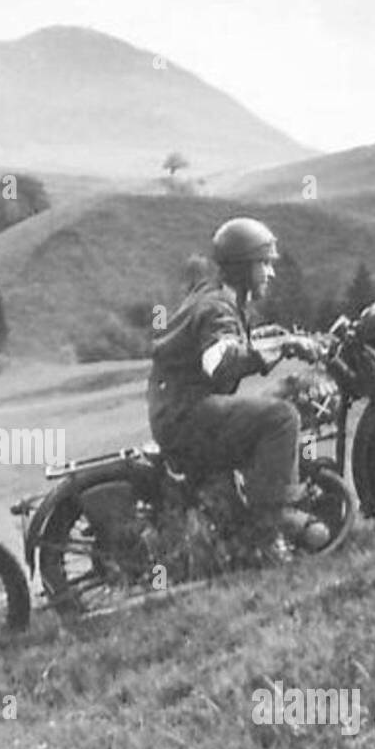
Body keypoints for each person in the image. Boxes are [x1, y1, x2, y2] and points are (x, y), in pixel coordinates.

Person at [147, 217, 325, 561]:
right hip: (185, 414)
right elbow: (219, 360)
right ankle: (269, 527)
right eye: (264, 264)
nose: (270, 273)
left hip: (178, 408)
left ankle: (247, 514)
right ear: (243, 268)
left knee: (269, 405)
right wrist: (285, 346)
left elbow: (231, 341)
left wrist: (279, 338)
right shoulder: (217, 307)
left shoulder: (218, 296)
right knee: (281, 417)